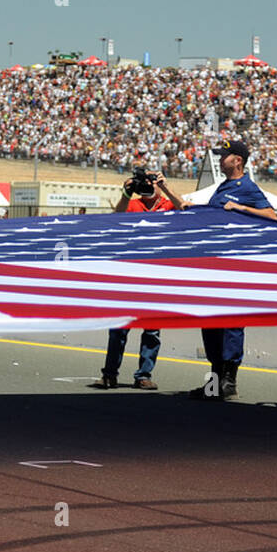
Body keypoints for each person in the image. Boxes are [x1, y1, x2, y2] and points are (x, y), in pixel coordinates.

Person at [161, 139, 276, 400]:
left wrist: (241, 208)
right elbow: (194, 211)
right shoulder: (222, 187)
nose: (220, 158)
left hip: (235, 266)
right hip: (214, 266)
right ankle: (214, 383)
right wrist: (165, 189)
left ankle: (229, 381)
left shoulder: (246, 187)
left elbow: (272, 217)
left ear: (238, 160)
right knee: (211, 322)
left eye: (225, 155)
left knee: (232, 322)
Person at [98, 167, 171, 390]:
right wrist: (127, 193)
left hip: (157, 274)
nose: (148, 187)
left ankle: (144, 374)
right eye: (145, 183)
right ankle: (110, 373)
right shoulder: (133, 204)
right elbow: (116, 219)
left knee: (152, 330)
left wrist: (166, 187)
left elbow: (185, 210)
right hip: (130, 274)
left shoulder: (167, 205)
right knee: (119, 327)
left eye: (152, 182)